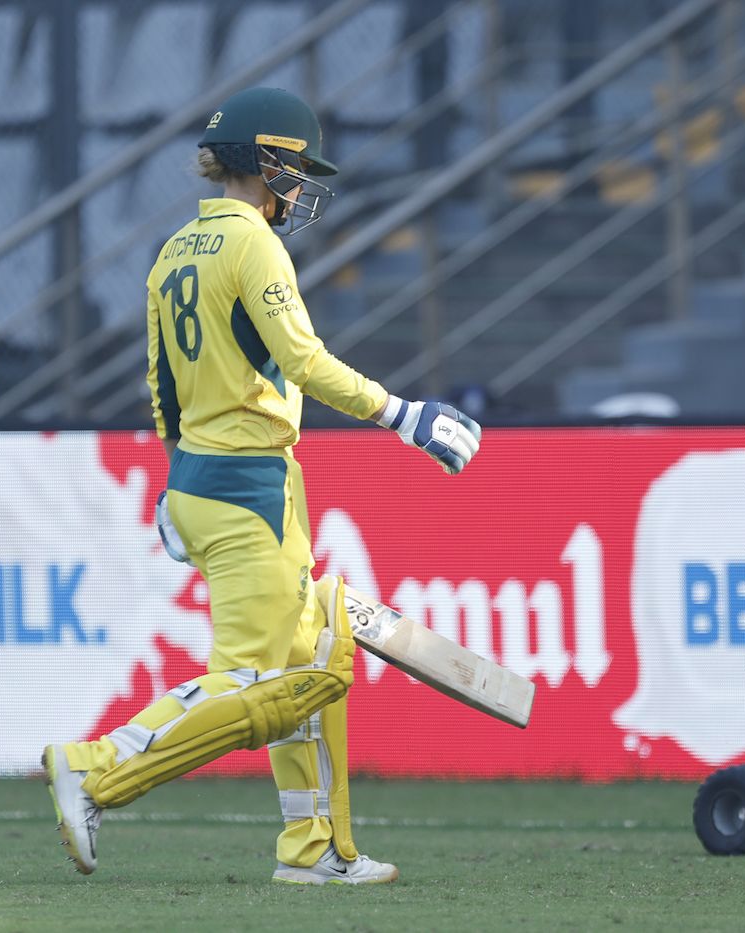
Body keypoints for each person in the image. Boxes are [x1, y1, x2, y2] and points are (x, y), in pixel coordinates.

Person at [41, 86, 481, 886]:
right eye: (295, 166)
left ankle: (313, 849)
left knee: (316, 644)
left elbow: (160, 386)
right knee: (265, 680)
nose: (301, 185)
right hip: (249, 486)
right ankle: (95, 767)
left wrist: (177, 480)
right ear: (262, 161)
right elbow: (305, 363)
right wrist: (403, 414)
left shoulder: (175, 250)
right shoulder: (253, 244)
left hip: (204, 483)